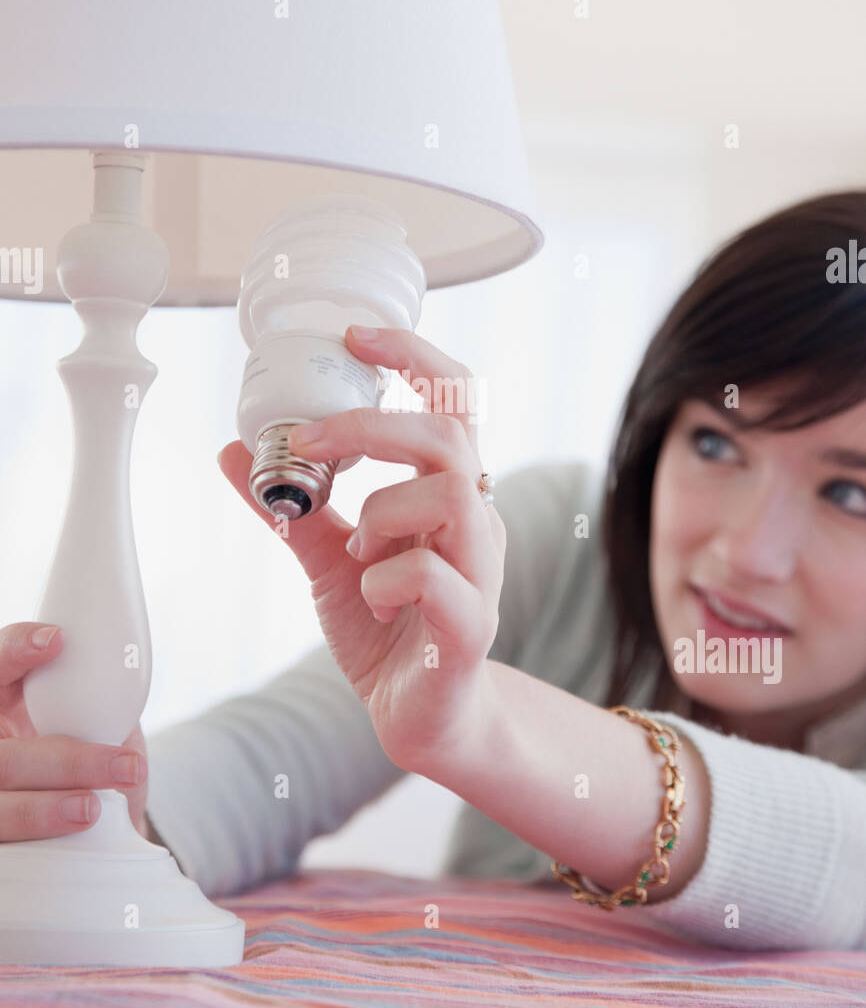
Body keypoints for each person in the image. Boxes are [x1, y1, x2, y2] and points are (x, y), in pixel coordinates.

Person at [2, 190, 865, 951]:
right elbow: (268, 764)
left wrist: (477, 722)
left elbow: (839, 855)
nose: (746, 552)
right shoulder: (558, 544)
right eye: (716, 443)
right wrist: (102, 802)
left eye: (851, 494)